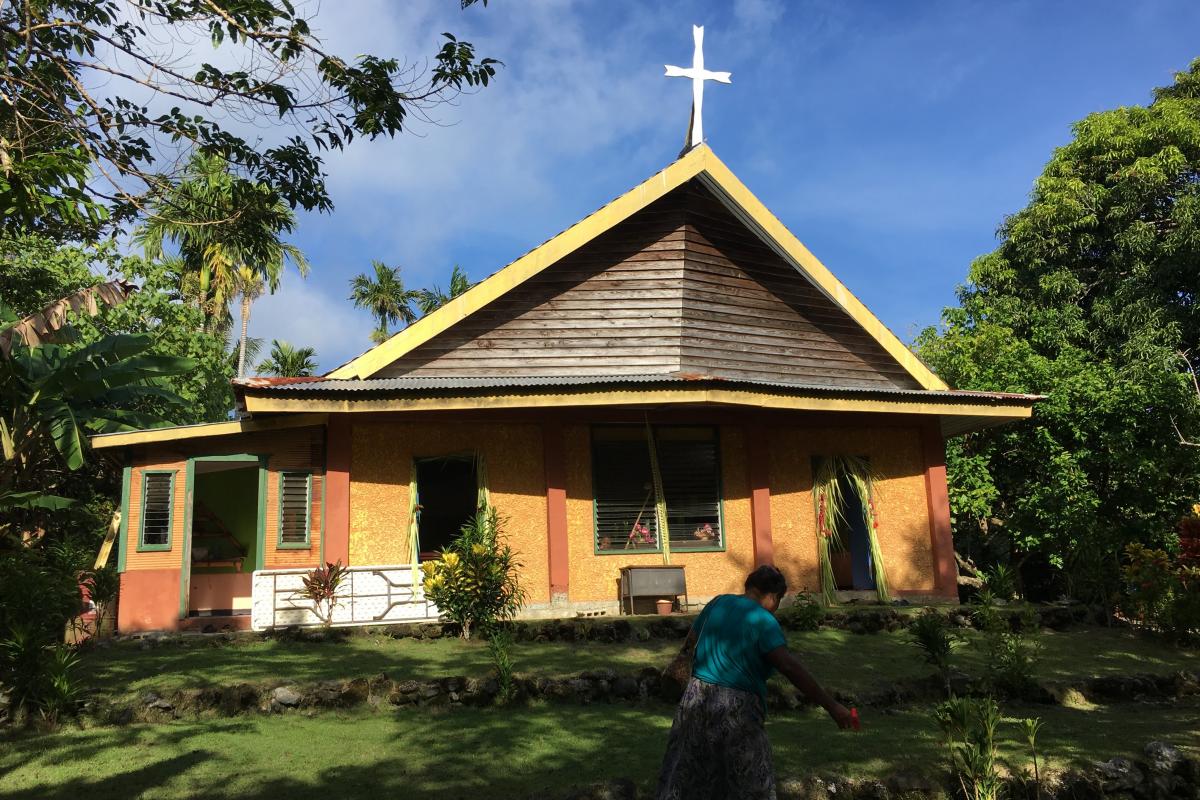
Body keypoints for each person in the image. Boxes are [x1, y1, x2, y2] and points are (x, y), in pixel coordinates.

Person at [656, 565, 855, 800]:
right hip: (736, 709)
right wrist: (832, 706)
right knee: (749, 781)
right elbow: (789, 666)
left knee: (692, 776)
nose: (777, 608)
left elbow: (690, 642)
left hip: (695, 699)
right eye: (779, 600)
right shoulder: (762, 621)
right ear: (772, 596)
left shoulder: (717, 603)